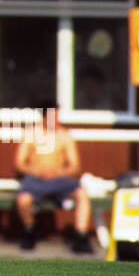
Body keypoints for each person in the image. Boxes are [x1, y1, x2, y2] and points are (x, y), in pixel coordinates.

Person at [14, 101, 94, 253]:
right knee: (23, 199)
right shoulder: (31, 134)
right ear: (43, 117)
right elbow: (19, 163)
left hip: (60, 180)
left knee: (82, 194)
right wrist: (37, 171)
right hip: (36, 180)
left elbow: (75, 166)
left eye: (57, 116)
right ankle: (30, 231)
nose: (56, 120)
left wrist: (58, 173)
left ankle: (81, 236)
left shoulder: (64, 136)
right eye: (53, 116)